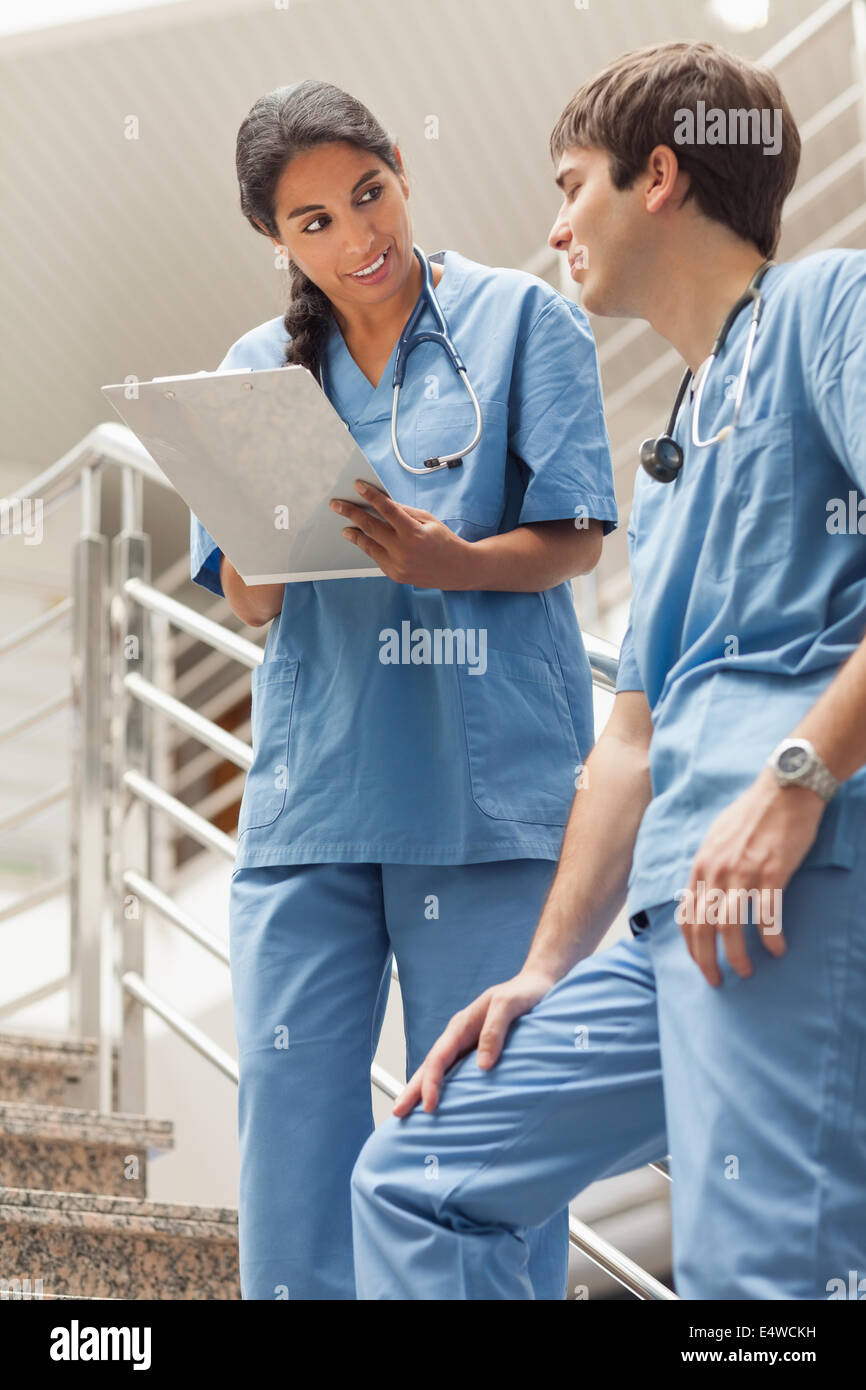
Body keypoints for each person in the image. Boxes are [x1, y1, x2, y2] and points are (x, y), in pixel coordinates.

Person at [349, 40, 866, 1300]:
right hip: (655, 929)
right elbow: (627, 741)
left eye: (570, 184)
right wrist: (541, 966)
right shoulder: (670, 452)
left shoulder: (827, 308)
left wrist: (795, 776)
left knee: (760, 1279)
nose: (554, 224)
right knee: (417, 1173)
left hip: (787, 883)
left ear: (659, 175)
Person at [188, 79, 618, 1299]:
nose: (356, 236)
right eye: (313, 221)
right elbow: (251, 602)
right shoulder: (253, 371)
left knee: (480, 1133)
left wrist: (452, 562)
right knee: (290, 1128)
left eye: (367, 194)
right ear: (275, 237)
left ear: (399, 170)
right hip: (315, 798)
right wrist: (267, 528)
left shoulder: (521, 322)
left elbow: (575, 535)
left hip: (486, 796)